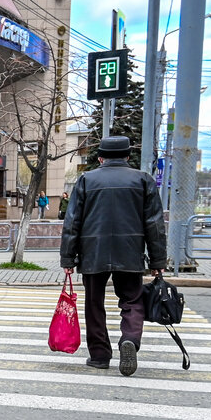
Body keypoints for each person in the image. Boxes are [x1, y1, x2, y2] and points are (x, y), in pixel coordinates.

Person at [60, 136, 167, 377]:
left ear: (100, 157)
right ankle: (129, 339)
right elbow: (155, 224)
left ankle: (99, 356)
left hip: (92, 252)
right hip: (130, 250)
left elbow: (72, 221)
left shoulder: (87, 179)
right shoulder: (143, 180)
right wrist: (158, 261)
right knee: (132, 300)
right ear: (128, 156)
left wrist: (68, 258)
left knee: (94, 303)